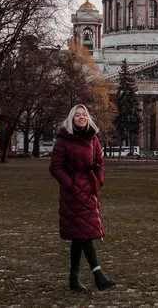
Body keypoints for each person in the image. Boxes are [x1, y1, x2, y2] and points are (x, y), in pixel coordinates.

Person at [49, 104, 116, 292]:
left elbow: (99, 162)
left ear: (88, 117)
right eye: (77, 115)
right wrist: (70, 184)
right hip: (73, 193)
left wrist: (99, 179)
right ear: (71, 118)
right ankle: (98, 276)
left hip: (89, 190)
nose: (81, 117)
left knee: (79, 234)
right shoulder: (64, 139)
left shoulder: (92, 138)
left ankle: (74, 278)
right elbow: (55, 167)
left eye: (84, 114)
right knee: (85, 232)